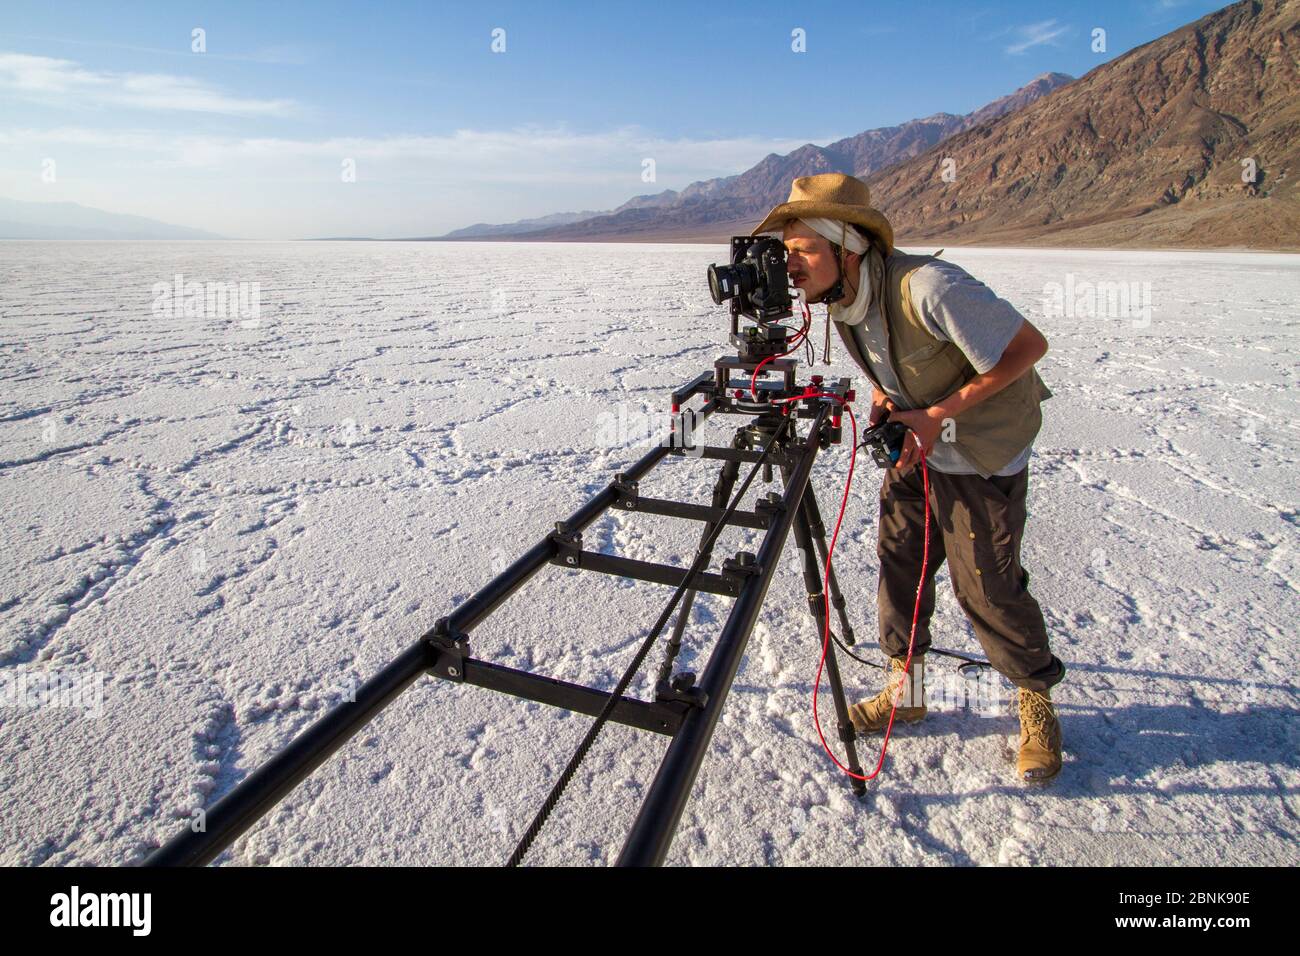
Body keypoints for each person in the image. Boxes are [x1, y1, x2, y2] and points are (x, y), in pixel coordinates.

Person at [751, 173, 1066, 783]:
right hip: (915, 446)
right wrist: (884, 397)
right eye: (785, 251)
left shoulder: (928, 286)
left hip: (981, 449)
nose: (789, 266)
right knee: (901, 563)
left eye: (802, 251)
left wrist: (939, 416)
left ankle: (1036, 701)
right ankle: (909, 685)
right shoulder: (841, 298)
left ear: (849, 249)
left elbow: (1028, 347)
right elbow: (885, 356)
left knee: (988, 585)